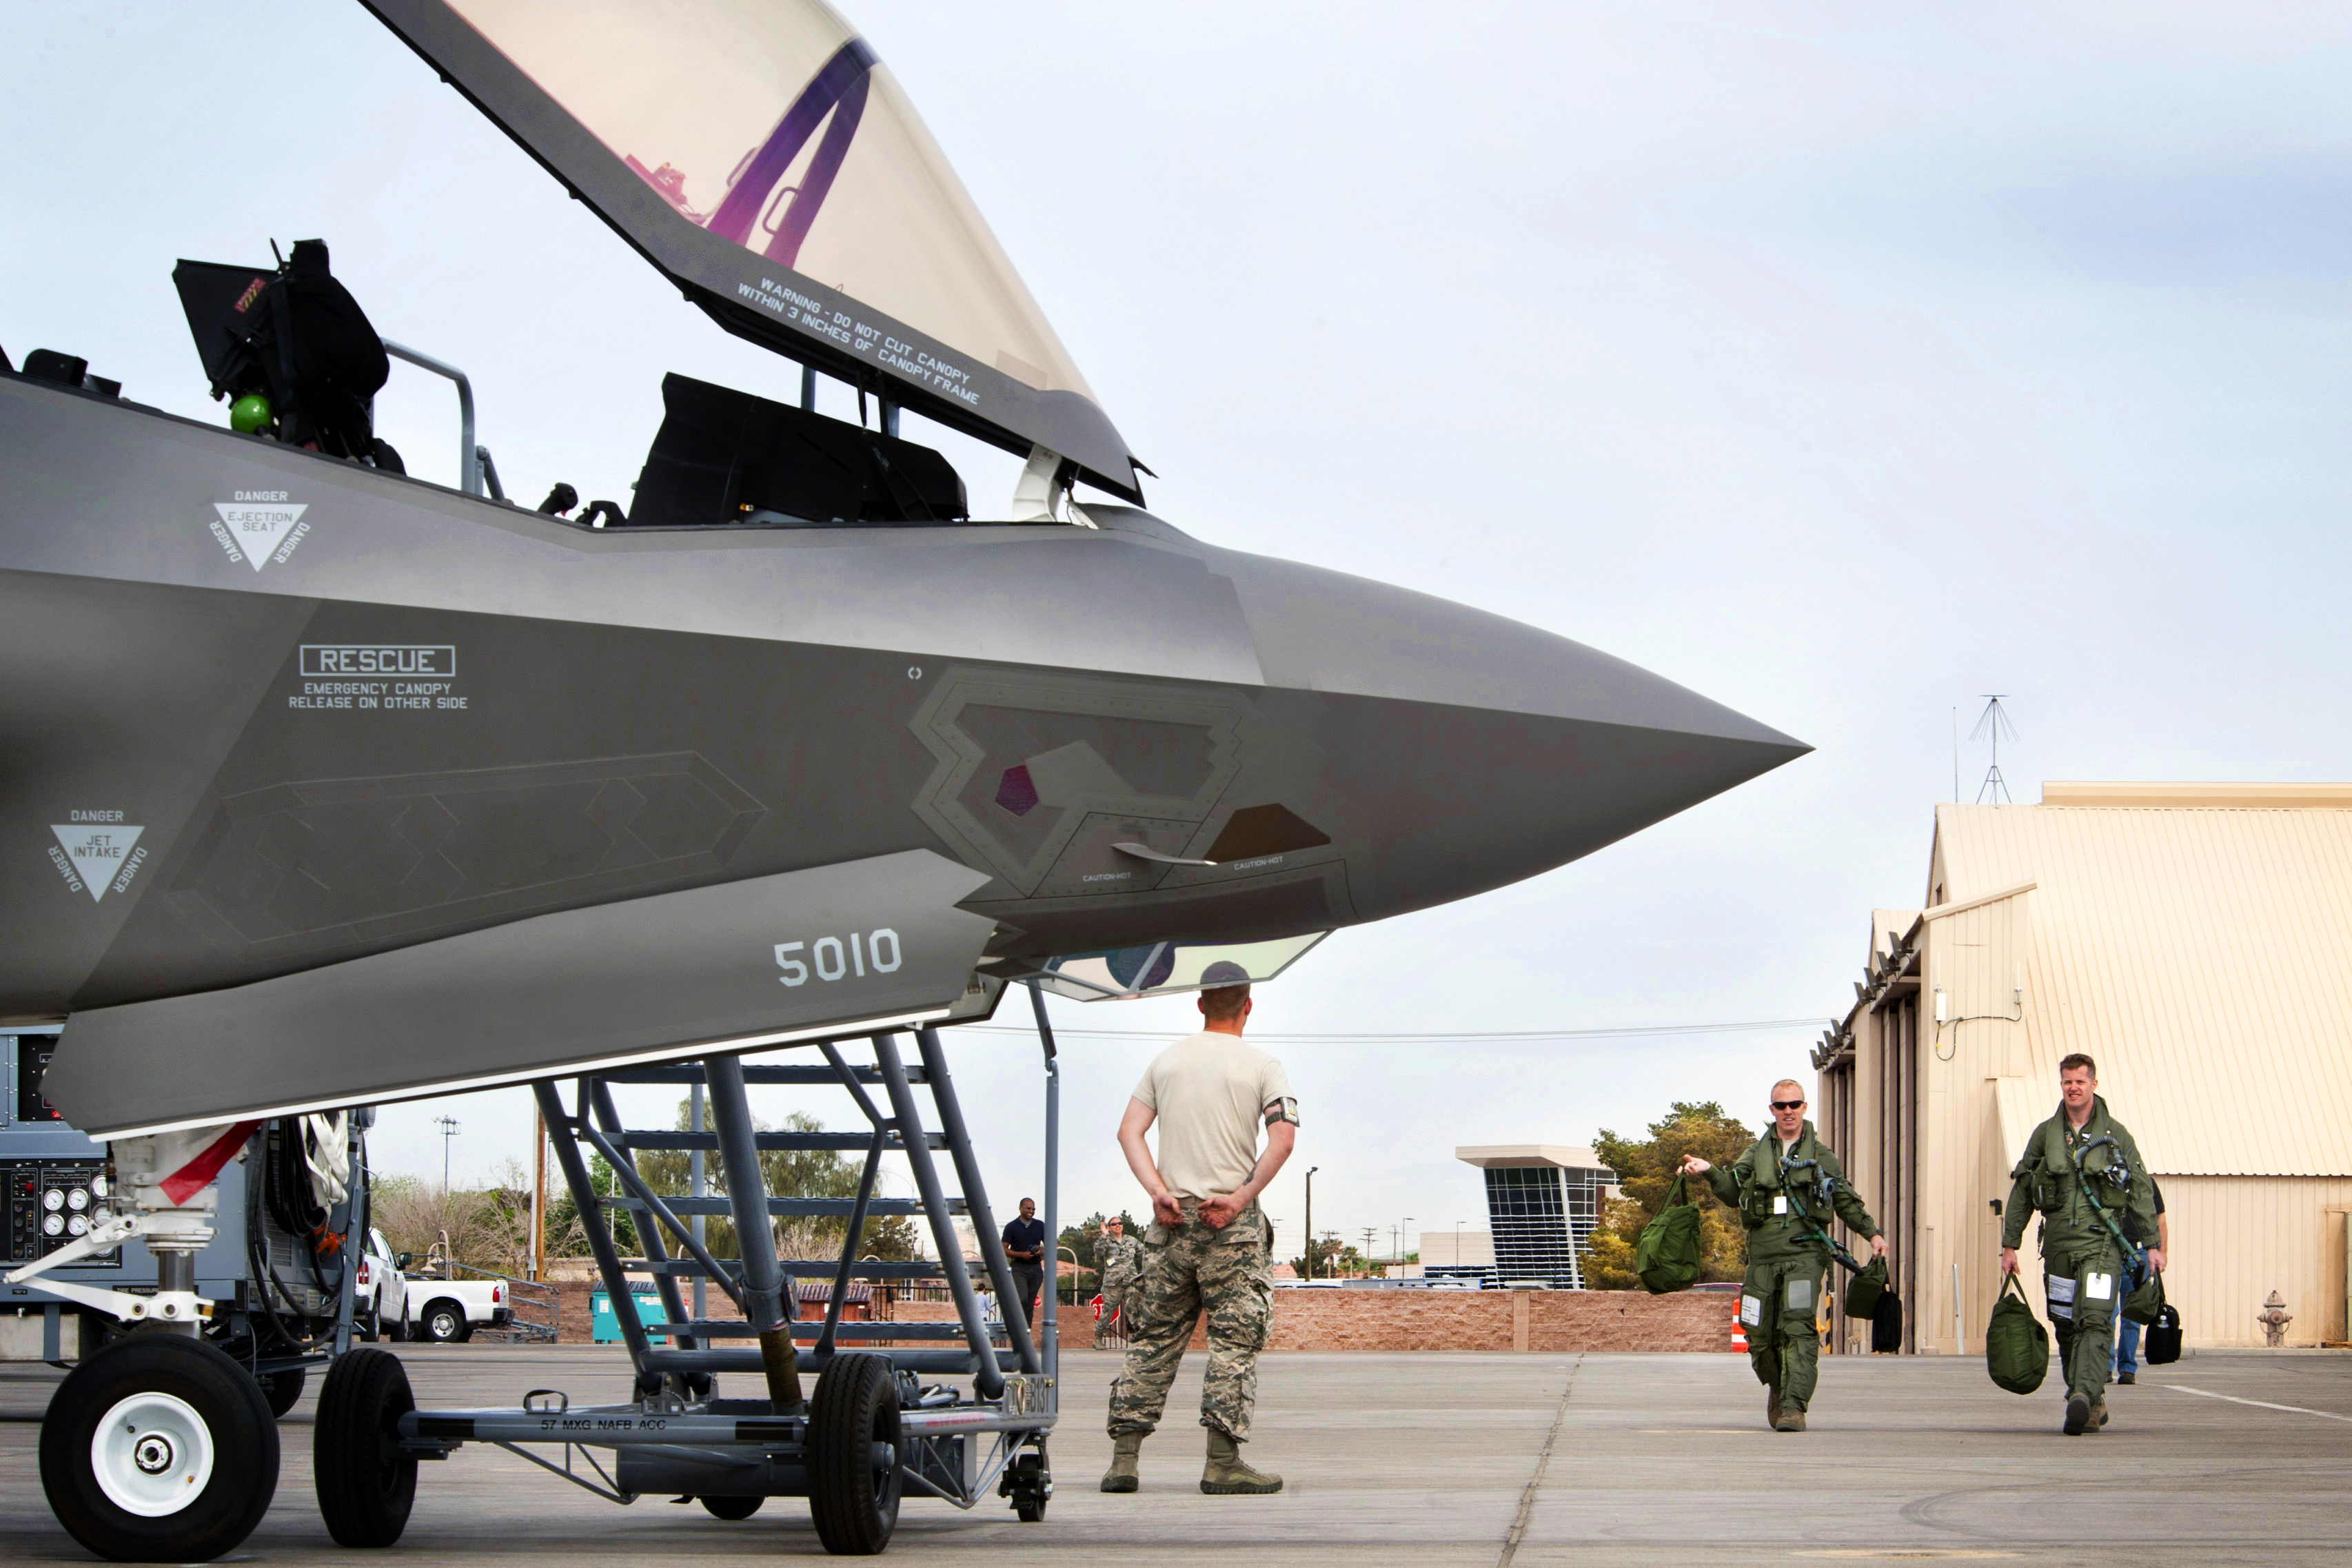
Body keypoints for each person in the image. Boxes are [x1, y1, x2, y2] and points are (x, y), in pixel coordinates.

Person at [1102, 961, 1297, 1496]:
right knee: (1233, 1342)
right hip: (1228, 1226)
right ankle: (1221, 1462)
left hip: (1170, 1223)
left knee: (1152, 1338)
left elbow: (1129, 1131)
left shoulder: (1165, 1062)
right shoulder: (1263, 1066)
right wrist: (1238, 1199)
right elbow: (1282, 1140)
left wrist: (1158, 1191)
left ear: (1200, 1004)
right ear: (1248, 1006)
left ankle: (1124, 1462)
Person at [1680, 1079, 1886, 1433]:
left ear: (1805, 1107)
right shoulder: (1754, 1155)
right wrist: (1709, 1171)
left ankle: (1794, 1405)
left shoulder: (1822, 1156)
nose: (1788, 1111)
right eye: (1780, 1105)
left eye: (1795, 1104)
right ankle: (1777, 1386)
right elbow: (1732, 1193)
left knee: (1797, 1325)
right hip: (1762, 1258)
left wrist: (1873, 1234)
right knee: (1758, 1331)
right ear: (1771, 1109)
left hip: (1805, 1253)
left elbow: (1845, 1200)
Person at [2001, 1053, 2163, 1435]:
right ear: (2062, 1086)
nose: (2073, 1088)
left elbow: (2140, 1189)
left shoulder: (2116, 1136)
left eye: (2080, 1081)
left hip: (2101, 1246)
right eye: (2067, 1082)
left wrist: (2152, 1244)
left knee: (2094, 1318)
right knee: (2065, 1324)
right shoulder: (2045, 1135)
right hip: (2057, 1247)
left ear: (2094, 1084)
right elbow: (2023, 1189)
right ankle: (2092, 1401)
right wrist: (2010, 1245)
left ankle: (2082, 1394)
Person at [2113, 1179, 2167, 1385]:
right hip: (2109, 1252)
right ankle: (2105, 1368)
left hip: (2139, 1253)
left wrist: (2162, 1251)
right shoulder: (2101, 1176)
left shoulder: (2145, 1181)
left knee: (2133, 1313)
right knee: (2106, 1313)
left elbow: (2160, 1218)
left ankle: (2127, 1368)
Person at [1095, 1214, 1143, 1349]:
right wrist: (1104, 1235)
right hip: (1113, 1283)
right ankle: (1098, 1337)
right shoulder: (1107, 1241)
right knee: (1109, 1310)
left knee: (1134, 1308)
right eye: (1114, 1224)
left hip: (1130, 1280)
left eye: (1119, 1223)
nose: (1118, 1225)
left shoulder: (1131, 1241)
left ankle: (1137, 1338)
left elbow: (1145, 1253)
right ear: (1109, 1228)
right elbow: (1098, 1251)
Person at [1002, 1197, 1047, 1333]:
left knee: (1030, 1303)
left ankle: (1026, 1331)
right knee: (1022, 1299)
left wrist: (1040, 1252)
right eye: (1028, 1208)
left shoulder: (1040, 1225)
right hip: (1019, 1267)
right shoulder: (1012, 1226)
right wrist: (1021, 1255)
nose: (1031, 1211)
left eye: (1033, 1209)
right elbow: (1003, 1249)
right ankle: (1017, 1329)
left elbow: (1050, 1246)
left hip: (1035, 1268)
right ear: (1021, 1208)